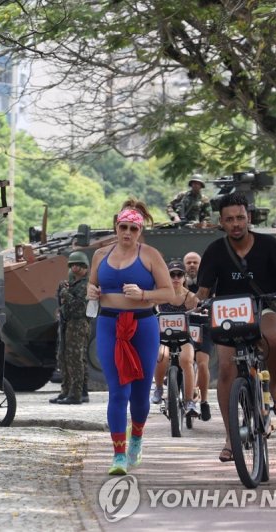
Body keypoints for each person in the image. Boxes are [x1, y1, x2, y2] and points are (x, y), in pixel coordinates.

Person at [195, 192, 276, 463]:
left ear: (249, 218)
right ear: (221, 222)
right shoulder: (214, 251)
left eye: (240, 218)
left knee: (273, 337)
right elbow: (203, 291)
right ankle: (231, 436)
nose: (236, 224)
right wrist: (189, 300)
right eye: (229, 219)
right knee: (226, 369)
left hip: (264, 305)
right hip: (228, 312)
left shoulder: (269, 245)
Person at [87, 199, 174, 475]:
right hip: (109, 325)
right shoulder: (100, 255)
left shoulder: (150, 255)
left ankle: (136, 436)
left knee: (139, 393)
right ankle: (118, 455)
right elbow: (93, 282)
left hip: (143, 326)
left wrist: (145, 295)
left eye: (133, 229)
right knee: (118, 390)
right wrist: (91, 291)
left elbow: (169, 293)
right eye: (123, 227)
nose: (127, 233)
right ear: (116, 226)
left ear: (140, 231)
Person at [150, 260, 199, 417]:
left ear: (184, 277)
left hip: (185, 337)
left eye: (179, 274)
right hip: (164, 337)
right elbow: (148, 307)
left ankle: (190, 400)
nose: (176, 278)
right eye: (172, 274)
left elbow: (198, 313)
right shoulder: (161, 294)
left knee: (187, 359)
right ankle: (158, 388)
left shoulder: (190, 297)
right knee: (161, 356)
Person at [50, 251, 91, 405]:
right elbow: (63, 305)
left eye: (78, 265)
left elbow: (79, 307)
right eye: (72, 265)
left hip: (78, 323)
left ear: (84, 267)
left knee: (75, 359)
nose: (74, 268)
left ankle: (76, 394)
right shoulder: (73, 284)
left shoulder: (85, 286)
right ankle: (66, 391)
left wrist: (66, 294)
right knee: (64, 357)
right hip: (68, 322)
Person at [183, 251, 212, 421]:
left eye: (195, 262)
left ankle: (204, 402)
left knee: (202, 364)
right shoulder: (178, 280)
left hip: (203, 324)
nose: (192, 265)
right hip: (183, 324)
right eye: (189, 262)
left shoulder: (208, 281)